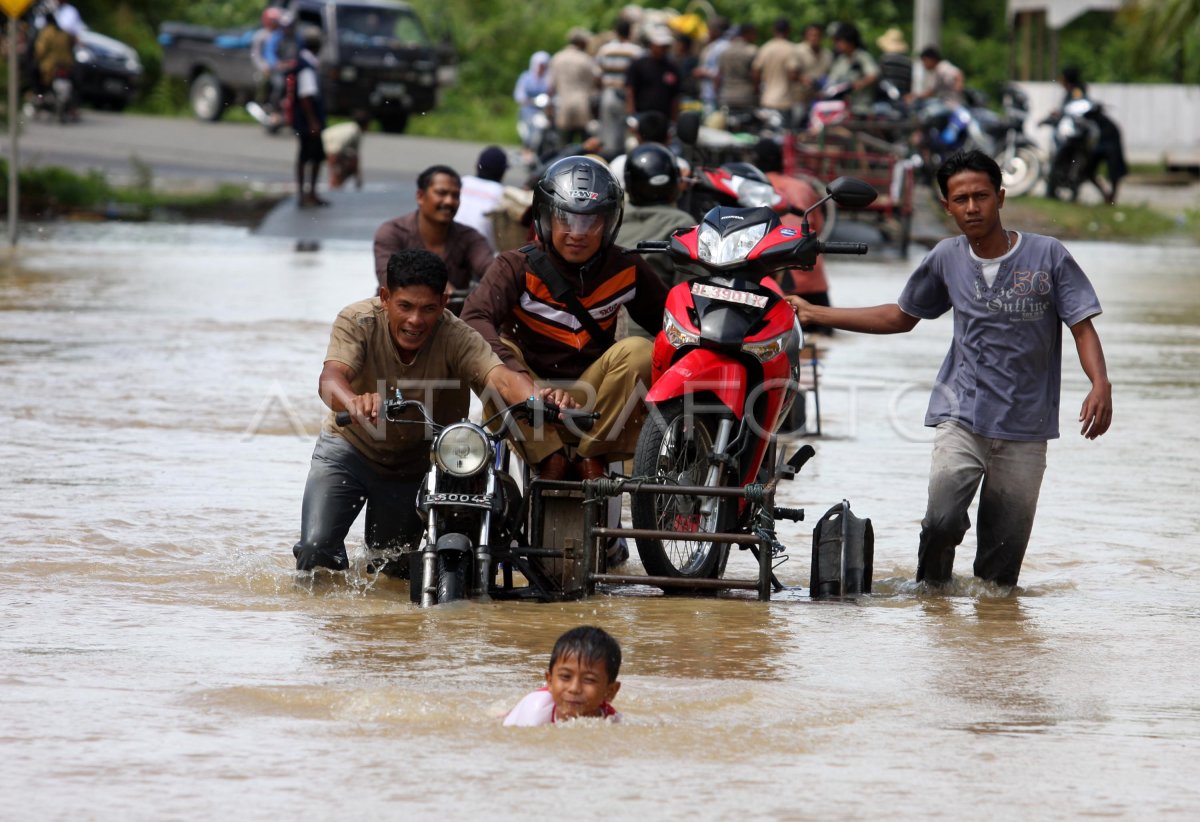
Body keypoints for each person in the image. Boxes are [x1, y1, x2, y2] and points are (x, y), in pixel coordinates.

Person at [788, 150, 1112, 588]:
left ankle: (990, 641)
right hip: (961, 415)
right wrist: (816, 314)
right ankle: (932, 600)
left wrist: (1100, 383)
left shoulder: (1048, 256)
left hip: (1025, 428)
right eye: (961, 199)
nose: (972, 207)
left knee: (1001, 568)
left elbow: (1081, 326)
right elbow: (899, 318)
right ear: (947, 206)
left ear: (1000, 197)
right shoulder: (946, 257)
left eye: (981, 196)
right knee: (940, 521)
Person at [292, 249, 554, 574]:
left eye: (428, 309)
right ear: (385, 297)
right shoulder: (357, 320)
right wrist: (352, 402)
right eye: (405, 306)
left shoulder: (457, 335)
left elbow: (498, 376)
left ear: (444, 303)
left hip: (414, 464)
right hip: (349, 450)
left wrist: (539, 399)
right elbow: (331, 379)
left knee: (390, 572)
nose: (416, 320)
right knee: (315, 551)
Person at [460, 155, 669, 482]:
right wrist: (528, 386)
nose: (577, 233)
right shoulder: (515, 266)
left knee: (641, 350)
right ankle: (550, 458)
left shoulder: (627, 268)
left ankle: (591, 455)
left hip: (594, 397)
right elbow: (474, 319)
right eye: (565, 220)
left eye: (591, 222)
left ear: (610, 224)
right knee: (485, 351)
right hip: (527, 395)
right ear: (545, 219)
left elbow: (670, 326)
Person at [752, 138, 832, 336]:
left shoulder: (749, 189)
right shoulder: (802, 187)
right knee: (820, 344)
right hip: (811, 276)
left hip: (771, 280)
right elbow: (817, 228)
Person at [373, 165, 495, 291]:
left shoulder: (471, 238)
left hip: (453, 311)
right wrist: (436, 287)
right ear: (420, 196)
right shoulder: (392, 232)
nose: (449, 201)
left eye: (455, 195)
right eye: (441, 193)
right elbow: (387, 277)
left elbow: (491, 270)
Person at [616, 142, 695, 306]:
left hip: (608, 324)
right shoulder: (683, 223)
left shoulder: (613, 214)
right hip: (657, 326)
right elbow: (690, 292)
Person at [504, 626, 622, 726]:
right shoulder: (535, 712)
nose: (574, 689)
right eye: (565, 676)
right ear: (550, 681)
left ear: (610, 691)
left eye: (589, 680)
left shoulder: (611, 721)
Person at [290, 26, 327, 209]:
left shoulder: (304, 62)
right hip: (308, 120)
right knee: (308, 157)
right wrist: (313, 121)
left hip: (306, 119)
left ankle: (309, 193)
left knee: (313, 157)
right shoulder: (306, 66)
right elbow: (305, 96)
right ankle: (306, 194)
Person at [595, 16, 642, 157]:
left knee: (609, 131)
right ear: (630, 32)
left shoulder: (605, 50)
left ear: (616, 32)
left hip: (609, 93)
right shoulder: (636, 51)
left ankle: (611, 159)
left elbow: (597, 75)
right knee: (628, 131)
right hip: (629, 95)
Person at [548, 28, 598, 146]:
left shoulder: (557, 57)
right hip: (582, 105)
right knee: (584, 144)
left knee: (564, 143)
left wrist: (549, 106)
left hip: (563, 104)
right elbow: (594, 82)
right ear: (581, 42)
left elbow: (551, 85)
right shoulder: (585, 59)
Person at [455, 146, 509, 251]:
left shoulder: (462, 182)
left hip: (450, 244)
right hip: (482, 253)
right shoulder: (502, 193)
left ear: (477, 166)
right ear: (502, 171)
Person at [625, 26, 681, 127]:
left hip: (664, 117)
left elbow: (675, 95)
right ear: (652, 45)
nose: (664, 49)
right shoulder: (639, 64)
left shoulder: (672, 67)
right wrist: (631, 115)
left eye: (666, 46)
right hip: (642, 115)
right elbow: (630, 89)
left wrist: (674, 120)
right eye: (661, 46)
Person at [752, 17, 800, 128]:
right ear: (788, 31)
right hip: (784, 102)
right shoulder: (791, 49)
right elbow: (793, 74)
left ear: (773, 30)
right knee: (783, 137)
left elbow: (755, 71)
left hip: (767, 100)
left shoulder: (766, 47)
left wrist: (757, 89)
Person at [825, 23, 879, 115]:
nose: (836, 44)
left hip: (862, 107)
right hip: (840, 107)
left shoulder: (862, 57)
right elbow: (831, 82)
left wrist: (859, 84)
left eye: (839, 41)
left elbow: (873, 75)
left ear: (850, 41)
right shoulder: (840, 61)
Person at [513, 50, 552, 163]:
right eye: (539, 65)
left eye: (543, 65)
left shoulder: (548, 78)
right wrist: (525, 100)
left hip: (543, 110)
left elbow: (552, 92)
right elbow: (519, 93)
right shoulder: (526, 77)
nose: (541, 67)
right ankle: (527, 149)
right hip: (529, 108)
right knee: (529, 128)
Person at [715, 23, 758, 119]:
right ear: (747, 34)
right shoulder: (751, 51)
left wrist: (717, 95)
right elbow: (755, 75)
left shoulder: (725, 52)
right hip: (746, 96)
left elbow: (718, 76)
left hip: (726, 96)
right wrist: (757, 91)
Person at [322, 110, 371, 190]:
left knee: (351, 163)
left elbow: (355, 157)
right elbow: (332, 156)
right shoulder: (351, 133)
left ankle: (337, 181)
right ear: (366, 125)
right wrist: (333, 175)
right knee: (343, 163)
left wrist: (358, 178)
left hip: (332, 147)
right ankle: (335, 182)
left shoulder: (356, 131)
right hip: (323, 145)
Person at [875, 27, 912, 98]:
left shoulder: (884, 59)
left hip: (885, 97)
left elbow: (878, 78)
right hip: (903, 97)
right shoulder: (908, 62)